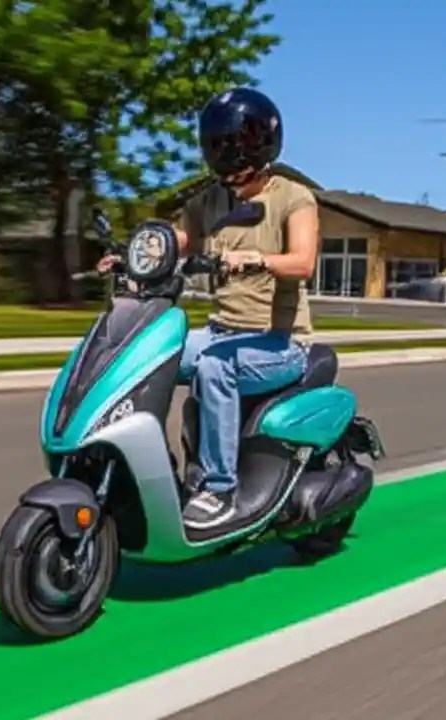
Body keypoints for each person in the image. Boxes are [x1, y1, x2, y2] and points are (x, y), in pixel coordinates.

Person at [101, 87, 319, 530]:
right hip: (222, 332)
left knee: (215, 369)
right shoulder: (210, 201)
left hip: (279, 343)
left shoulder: (294, 198)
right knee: (142, 357)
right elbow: (177, 242)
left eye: (232, 142)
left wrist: (258, 260)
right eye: (216, 143)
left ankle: (219, 489)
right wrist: (132, 257)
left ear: (260, 142)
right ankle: (138, 467)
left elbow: (304, 261)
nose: (224, 153)